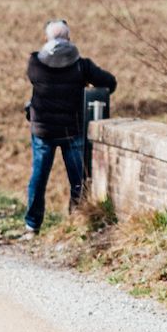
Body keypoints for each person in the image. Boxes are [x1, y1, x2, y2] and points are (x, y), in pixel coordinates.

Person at [23, 19, 115, 236]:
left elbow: (37, 76)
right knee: (78, 180)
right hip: (72, 131)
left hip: (43, 131)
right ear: (69, 38)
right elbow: (110, 83)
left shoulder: (35, 63)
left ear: (47, 39)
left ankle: (32, 225)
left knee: (38, 179)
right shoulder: (82, 66)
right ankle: (77, 221)